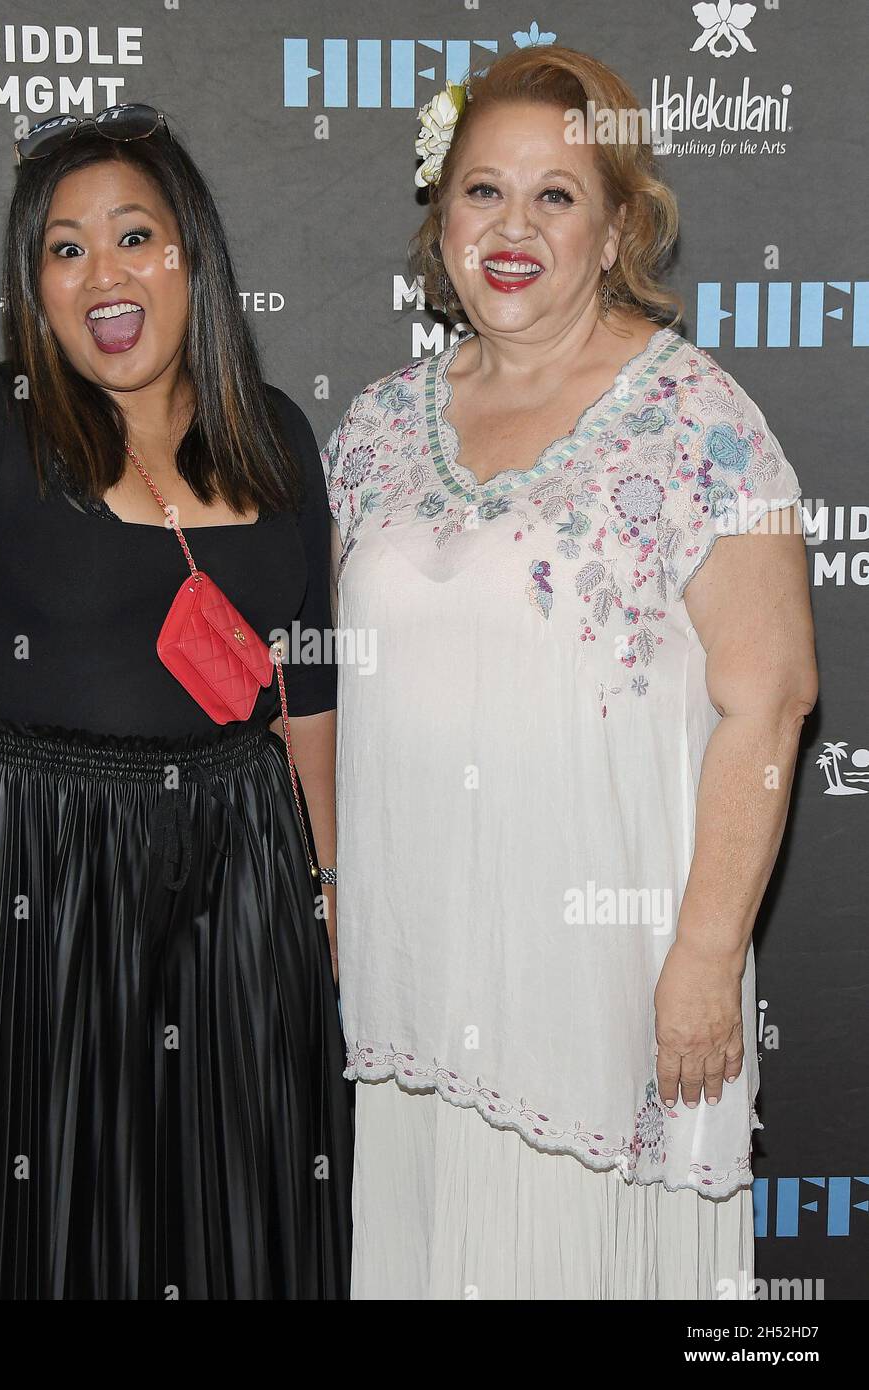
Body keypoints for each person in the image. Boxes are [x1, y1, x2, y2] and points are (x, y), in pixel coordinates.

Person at [0, 103, 351, 1299]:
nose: (100, 272)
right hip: (45, 877)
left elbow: (304, 697)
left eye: (132, 236)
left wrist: (326, 904)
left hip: (244, 877)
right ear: (35, 286)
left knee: (228, 1214)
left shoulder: (273, 437)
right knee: (44, 1230)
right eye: (64, 248)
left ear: (189, 257)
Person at [322, 48, 817, 1299]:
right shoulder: (374, 428)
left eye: (555, 195)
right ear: (440, 225)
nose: (512, 226)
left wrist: (705, 957)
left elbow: (770, 698)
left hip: (602, 995)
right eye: (483, 191)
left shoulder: (704, 421)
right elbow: (322, 689)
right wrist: (331, 896)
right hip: (417, 989)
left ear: (614, 231)